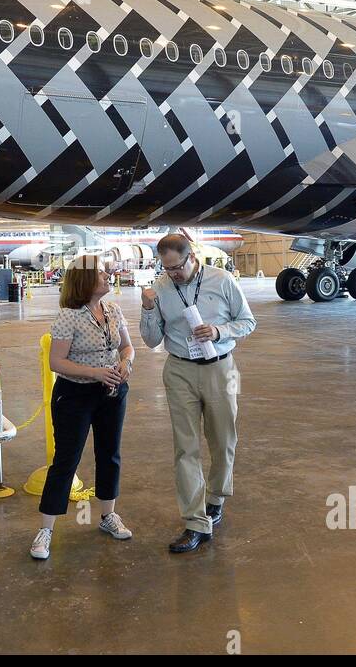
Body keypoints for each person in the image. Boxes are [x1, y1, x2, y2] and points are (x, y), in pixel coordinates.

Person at [139, 233, 256, 554]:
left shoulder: (223, 280)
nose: (171, 274)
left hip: (221, 367)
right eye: (166, 268)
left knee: (223, 439)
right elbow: (151, 341)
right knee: (185, 448)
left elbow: (248, 322)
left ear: (192, 258)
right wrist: (148, 309)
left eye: (176, 267)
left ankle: (216, 498)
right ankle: (195, 522)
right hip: (179, 370)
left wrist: (220, 331)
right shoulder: (161, 288)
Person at [30, 256, 135, 560]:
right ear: (83, 281)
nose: (107, 276)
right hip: (74, 395)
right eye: (100, 273)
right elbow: (56, 362)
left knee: (109, 453)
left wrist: (126, 362)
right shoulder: (69, 316)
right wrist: (95, 373)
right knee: (66, 460)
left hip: (112, 391)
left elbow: (127, 346)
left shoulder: (113, 310)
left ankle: (107, 515)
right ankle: (46, 529)